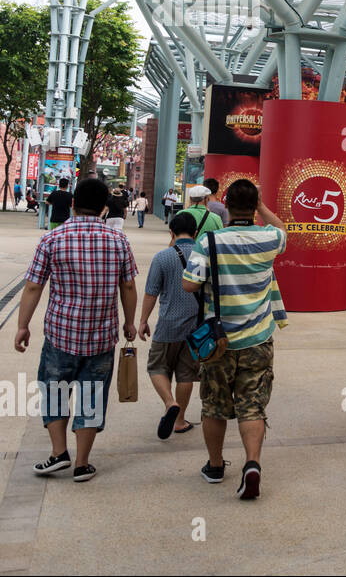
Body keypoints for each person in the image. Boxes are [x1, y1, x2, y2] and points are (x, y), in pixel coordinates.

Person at [14, 178, 138, 482]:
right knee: (92, 397)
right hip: (101, 336)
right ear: (104, 208)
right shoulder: (118, 240)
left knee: (54, 390)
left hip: (60, 334)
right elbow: (129, 285)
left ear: (72, 203)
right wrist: (130, 321)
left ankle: (59, 453)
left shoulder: (52, 239)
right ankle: (82, 463)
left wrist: (22, 326)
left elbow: (33, 286)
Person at [182, 179, 288, 501]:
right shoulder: (269, 239)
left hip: (218, 341)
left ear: (225, 206)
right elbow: (282, 229)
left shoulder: (209, 241)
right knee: (252, 406)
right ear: (254, 206)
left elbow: (189, 285)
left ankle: (215, 466)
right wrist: (261, 206)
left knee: (214, 406)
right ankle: (252, 464)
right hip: (258, 338)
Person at [139, 212, 202, 439]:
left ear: (171, 233)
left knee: (156, 367)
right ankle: (180, 420)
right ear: (196, 233)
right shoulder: (202, 257)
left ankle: (169, 402)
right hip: (196, 327)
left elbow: (151, 293)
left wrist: (143, 320)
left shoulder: (162, 257)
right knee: (186, 374)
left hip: (168, 325)